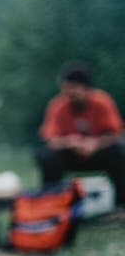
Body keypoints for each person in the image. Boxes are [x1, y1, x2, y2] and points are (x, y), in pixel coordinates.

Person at [36, 61, 125, 205]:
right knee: (46, 156)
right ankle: (51, 203)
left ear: (86, 88)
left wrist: (95, 144)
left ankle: (121, 204)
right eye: (66, 88)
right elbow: (49, 139)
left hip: (98, 153)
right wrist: (71, 142)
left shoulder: (102, 102)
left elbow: (116, 134)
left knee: (117, 151)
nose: (69, 93)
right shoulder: (58, 105)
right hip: (70, 154)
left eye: (73, 88)